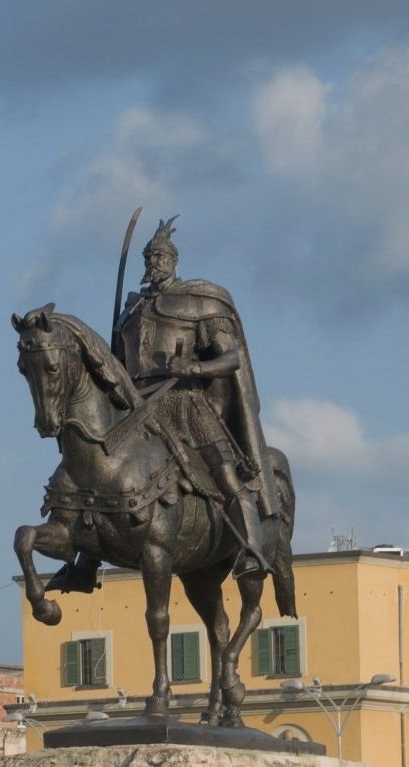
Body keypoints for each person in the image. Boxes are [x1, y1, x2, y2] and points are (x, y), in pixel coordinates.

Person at [114, 216, 275, 578]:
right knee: (100, 467)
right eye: (149, 257)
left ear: (173, 261)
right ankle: (84, 561)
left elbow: (230, 358)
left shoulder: (198, 302)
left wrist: (192, 370)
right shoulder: (132, 311)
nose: (154, 263)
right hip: (139, 408)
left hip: (185, 403)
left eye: (160, 256)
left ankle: (251, 549)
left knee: (226, 472)